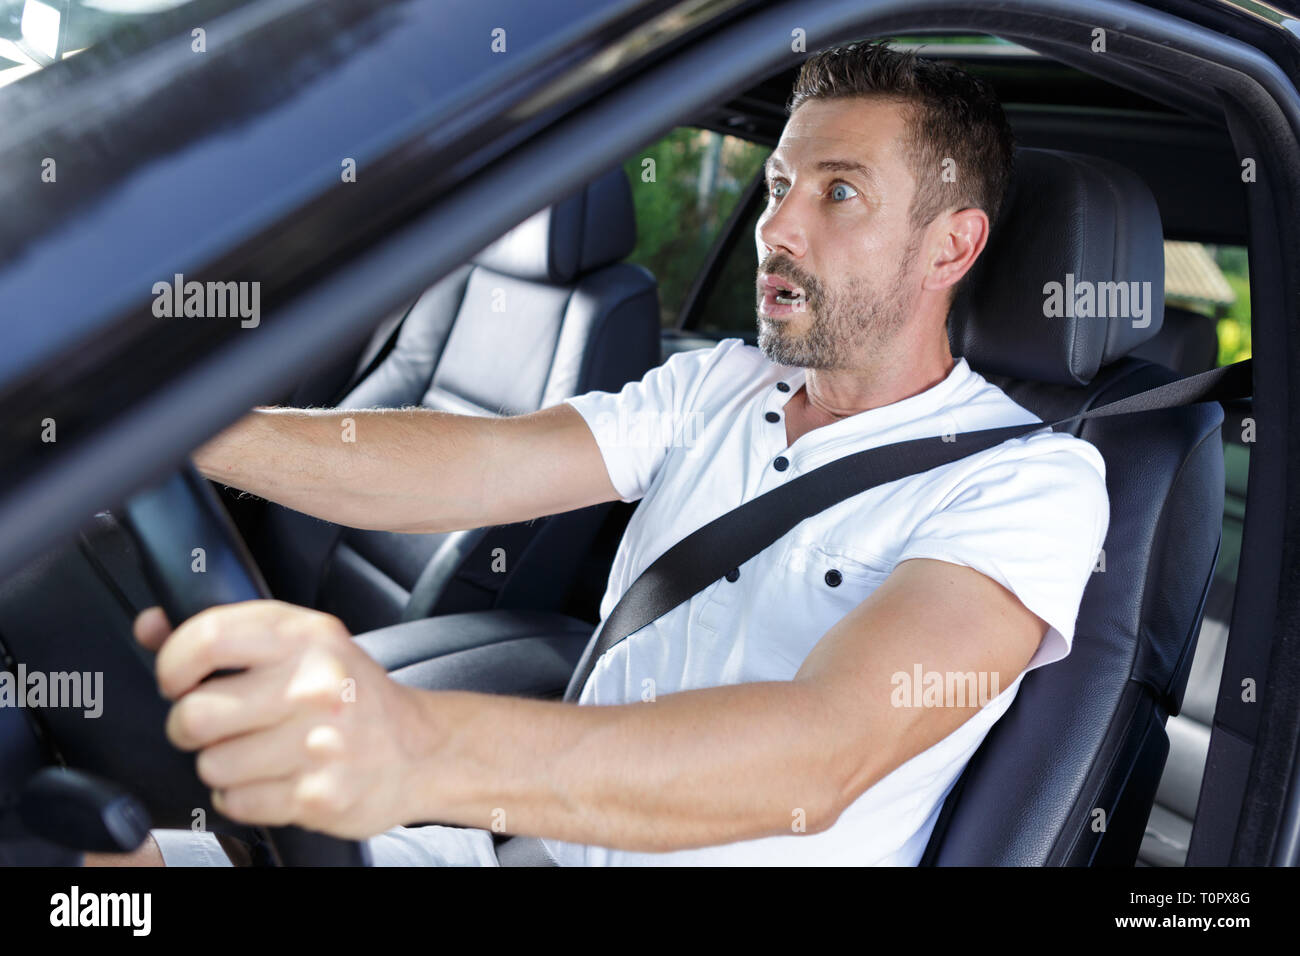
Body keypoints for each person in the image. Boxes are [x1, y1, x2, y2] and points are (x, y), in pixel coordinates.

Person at [87, 39, 1108, 867]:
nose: (776, 228)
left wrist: (414, 746)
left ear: (951, 248)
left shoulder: (1027, 484)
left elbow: (818, 752)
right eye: (779, 184)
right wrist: (181, 433)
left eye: (838, 194)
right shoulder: (723, 384)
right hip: (526, 843)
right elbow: (475, 467)